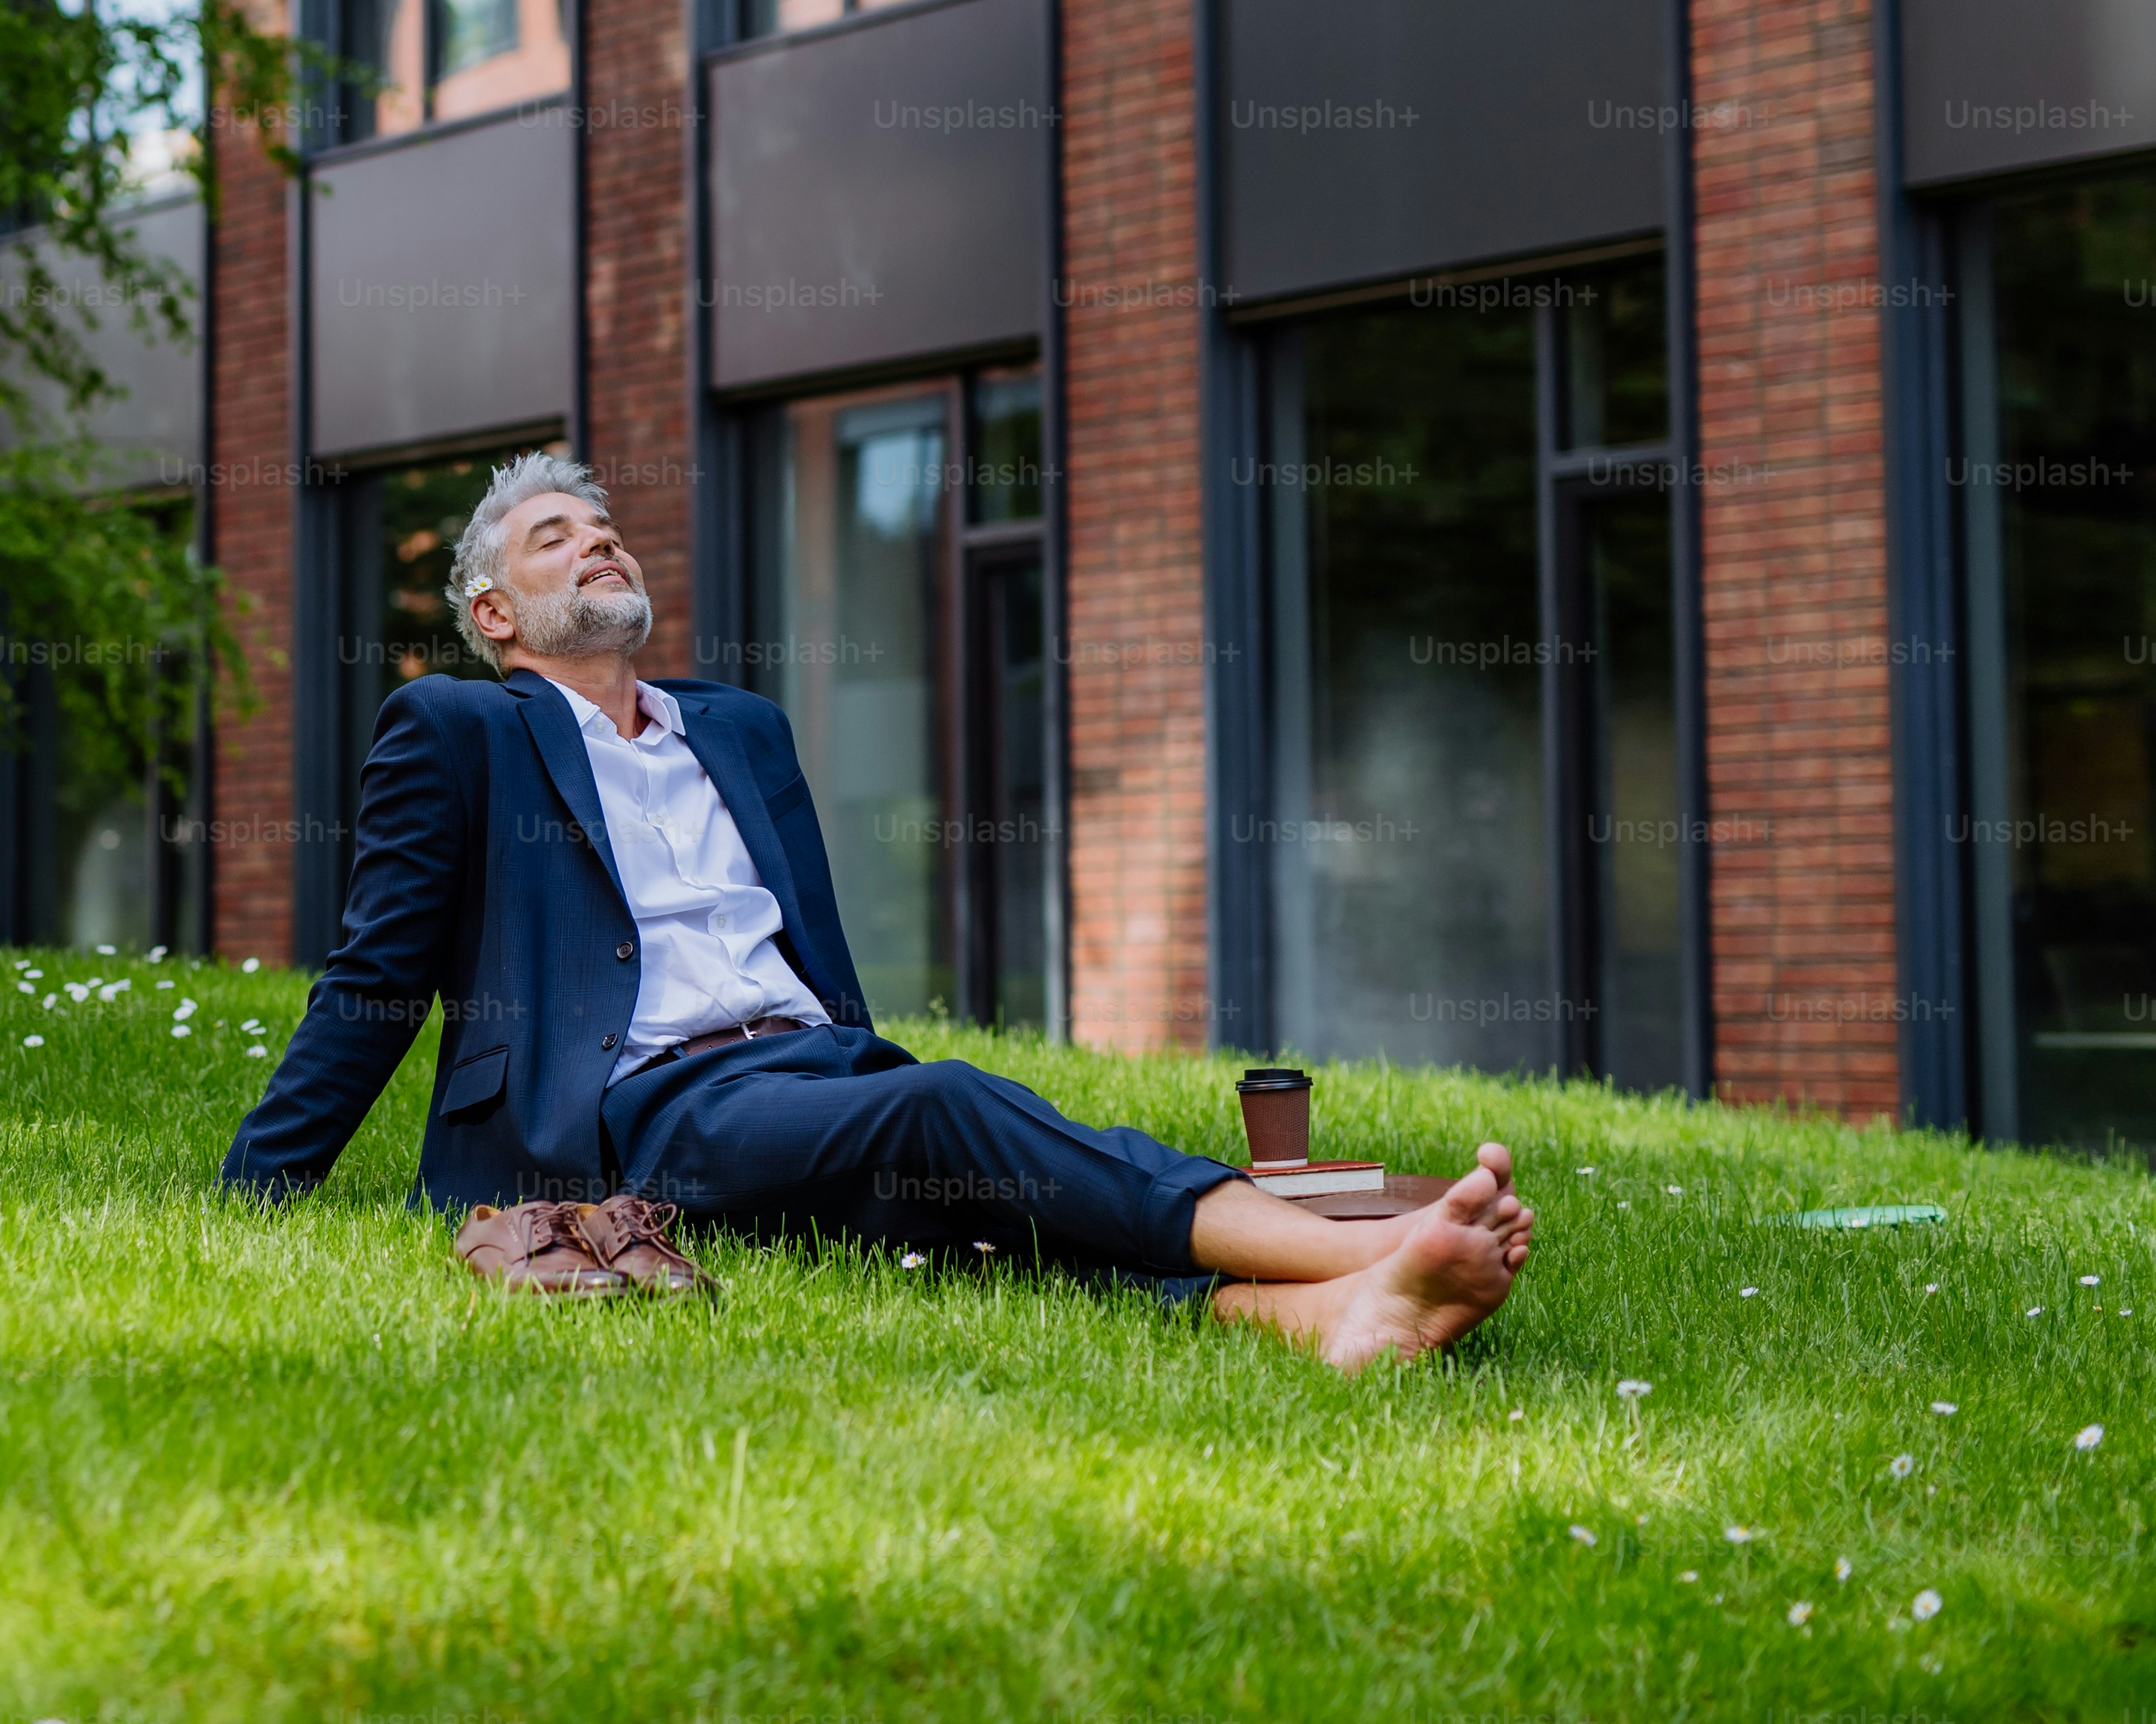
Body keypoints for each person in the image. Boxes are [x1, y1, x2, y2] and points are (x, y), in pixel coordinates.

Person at [218, 452, 1532, 1368]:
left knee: (960, 1208)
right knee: (946, 1111)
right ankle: (1354, 1251)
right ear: (495, 615)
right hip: (645, 1106)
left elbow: (817, 952)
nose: (595, 539)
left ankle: (1338, 1318)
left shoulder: (736, 726)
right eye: (551, 536)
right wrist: (251, 1198)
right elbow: (372, 976)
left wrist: (849, 1069)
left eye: (602, 525)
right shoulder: (457, 728)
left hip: (809, 1069)